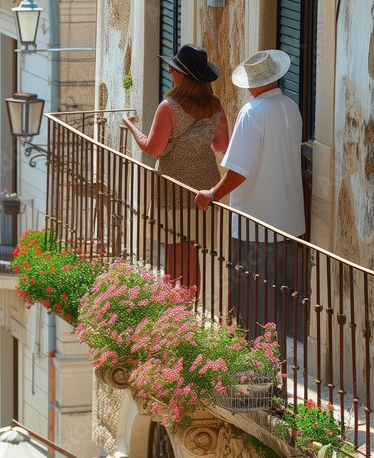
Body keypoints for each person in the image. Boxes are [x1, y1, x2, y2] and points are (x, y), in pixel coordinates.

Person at [194, 50, 305, 355]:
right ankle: (275, 369)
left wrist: (213, 193)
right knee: (281, 302)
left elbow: (239, 171)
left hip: (256, 227)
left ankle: (258, 376)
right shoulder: (290, 108)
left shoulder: (252, 112)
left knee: (253, 304)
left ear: (252, 83)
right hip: (290, 225)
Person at [124, 43, 229, 290]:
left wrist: (131, 127)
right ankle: (190, 308)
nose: (169, 73)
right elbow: (221, 146)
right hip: (204, 189)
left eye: (172, 69)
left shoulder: (169, 107)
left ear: (183, 76)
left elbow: (153, 148)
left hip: (173, 187)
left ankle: (175, 310)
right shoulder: (216, 108)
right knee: (192, 251)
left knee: (173, 251)